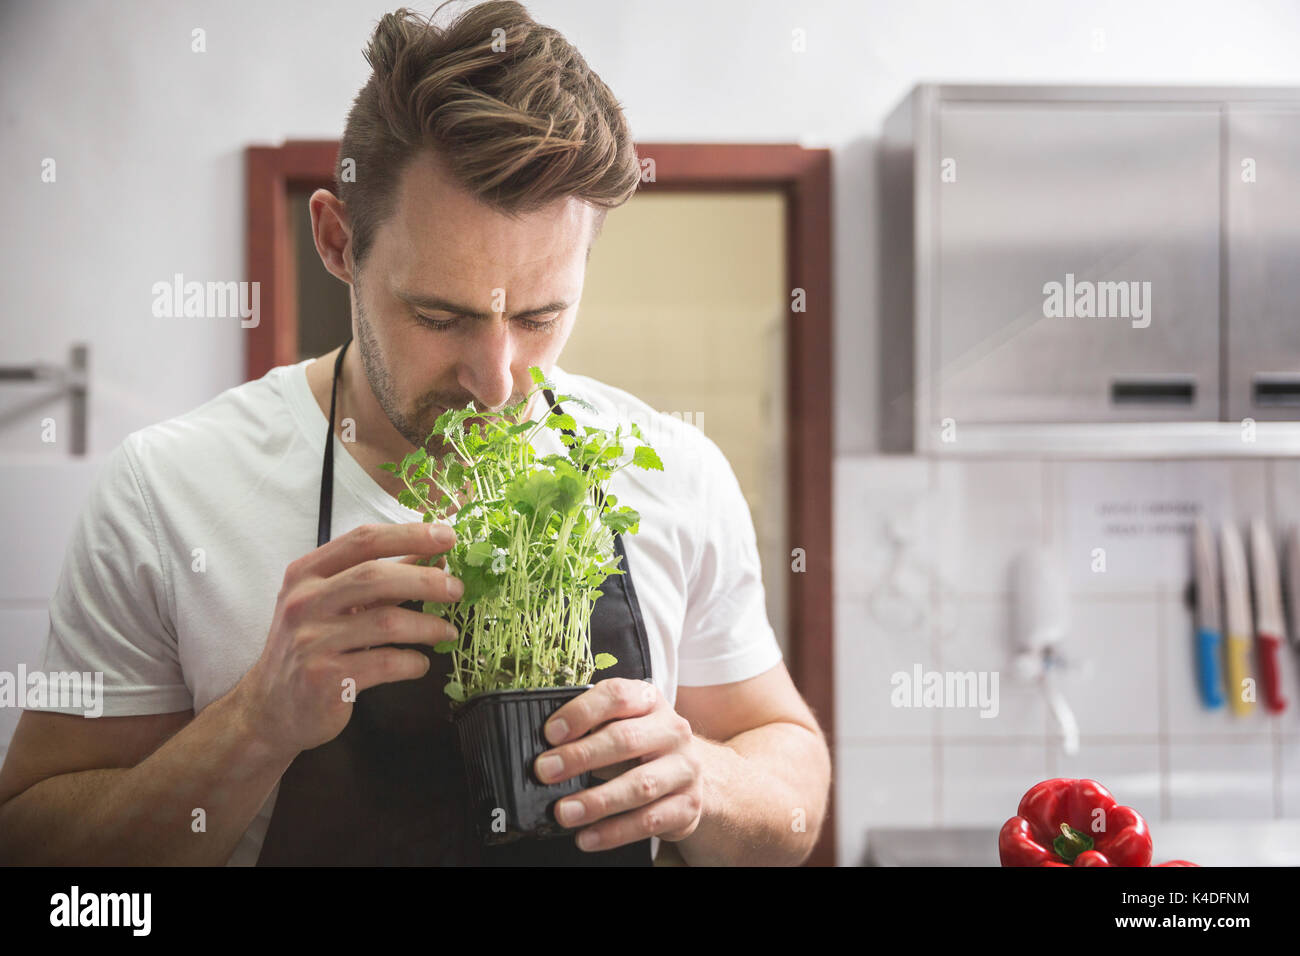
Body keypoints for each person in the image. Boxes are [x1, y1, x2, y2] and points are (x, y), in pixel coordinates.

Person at [0, 0, 829, 866]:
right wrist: (255, 722)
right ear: (336, 241)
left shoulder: (679, 472)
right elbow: (34, 847)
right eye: (440, 315)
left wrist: (704, 780)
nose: (496, 379)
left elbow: (788, 778)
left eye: (542, 315)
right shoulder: (168, 490)